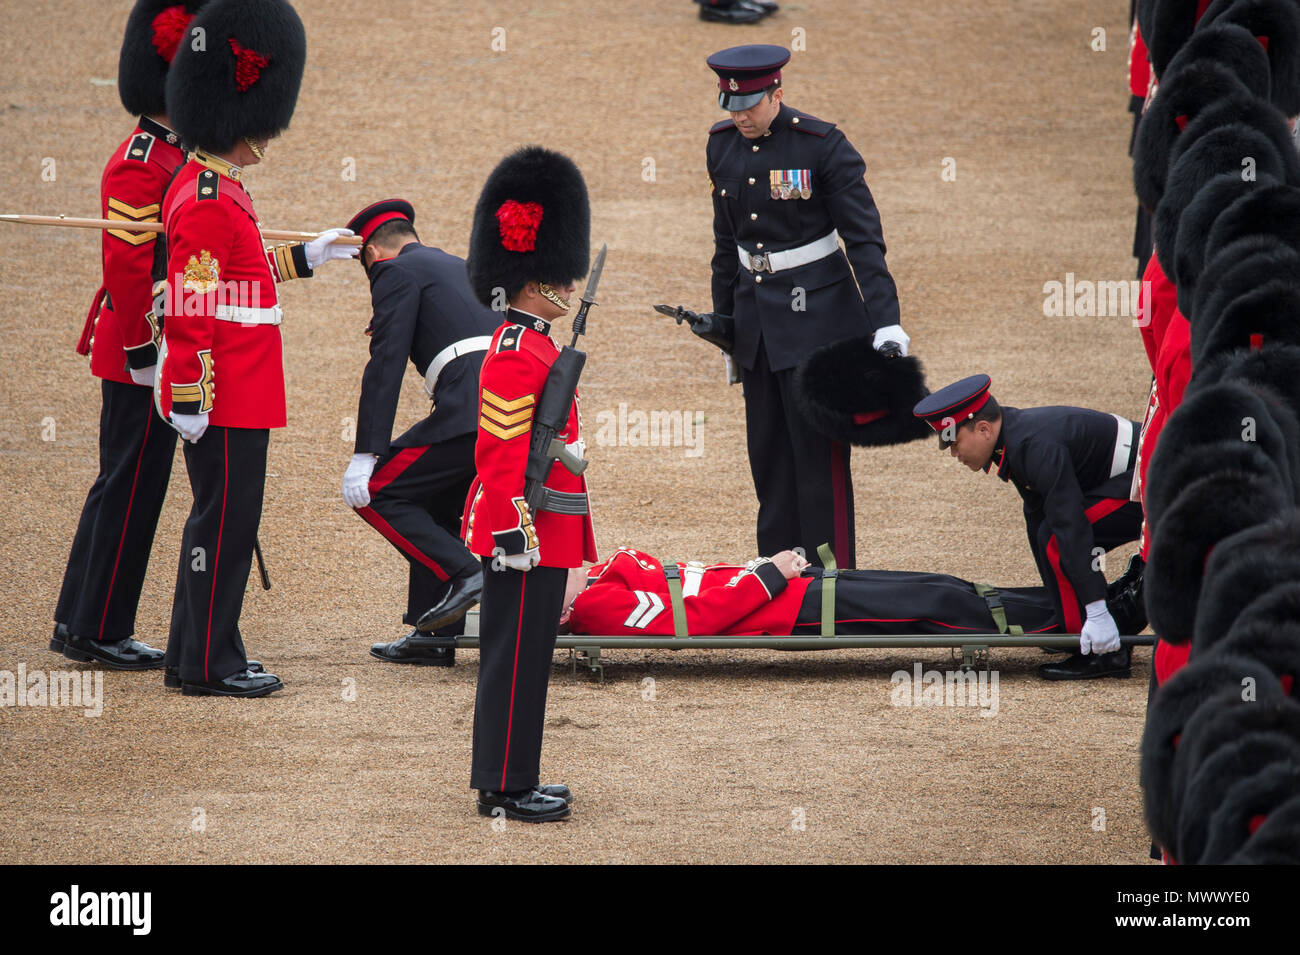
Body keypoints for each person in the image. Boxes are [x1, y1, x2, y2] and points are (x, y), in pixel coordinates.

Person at [157, 0, 357, 697]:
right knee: (226, 526)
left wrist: (307, 257)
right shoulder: (211, 196)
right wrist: (187, 393)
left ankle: (193, 653)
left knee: (217, 523)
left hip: (237, 387)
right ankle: (211, 662)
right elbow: (192, 302)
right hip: (225, 393)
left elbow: (240, 282)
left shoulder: (215, 184)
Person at [704, 44, 908, 569]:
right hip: (758, 330)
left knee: (818, 465)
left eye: (749, 103)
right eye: (731, 104)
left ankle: (831, 582)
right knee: (768, 460)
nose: (739, 115)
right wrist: (726, 324)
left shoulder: (823, 146)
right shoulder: (721, 146)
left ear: (777, 93)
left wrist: (887, 323)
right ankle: (776, 580)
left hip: (822, 328)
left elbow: (864, 242)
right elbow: (727, 247)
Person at [53, 0, 205, 672]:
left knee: (125, 481)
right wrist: (149, 351)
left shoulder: (176, 155)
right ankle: (96, 627)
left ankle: (80, 617)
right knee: (131, 484)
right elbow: (126, 263)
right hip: (139, 352)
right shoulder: (143, 160)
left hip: (155, 346)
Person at [461, 146, 598, 822]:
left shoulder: (537, 343)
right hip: (524, 529)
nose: (570, 288)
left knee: (525, 656)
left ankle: (515, 775)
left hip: (538, 524)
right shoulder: (519, 349)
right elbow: (500, 447)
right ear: (534, 279)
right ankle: (505, 787)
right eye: (560, 279)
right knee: (513, 659)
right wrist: (513, 525)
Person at [339, 199, 499, 665]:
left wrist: (367, 452)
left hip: (469, 410)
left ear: (371, 254)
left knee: (380, 491)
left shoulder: (395, 273)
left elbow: (385, 363)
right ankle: (434, 635)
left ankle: (466, 573)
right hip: (508, 410)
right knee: (434, 500)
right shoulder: (461, 266)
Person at [914, 376, 1145, 680]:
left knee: (1056, 537)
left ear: (983, 429)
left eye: (955, 443)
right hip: (1133, 471)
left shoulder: (1032, 444)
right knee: (1043, 532)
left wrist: (1096, 610)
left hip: (1151, 476)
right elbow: (1038, 514)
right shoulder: (1011, 436)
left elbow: (1069, 524)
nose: (955, 454)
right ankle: (1075, 628)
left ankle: (1105, 654)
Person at [562, 545, 1146, 638]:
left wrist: (768, 567)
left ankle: (1089, 606)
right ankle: (1074, 629)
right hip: (792, 606)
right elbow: (698, 618)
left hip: (790, 588)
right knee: (936, 606)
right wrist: (772, 574)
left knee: (943, 586)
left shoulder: (598, 572)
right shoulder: (594, 604)